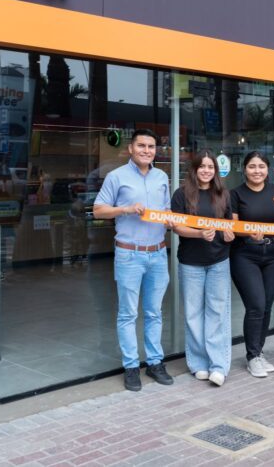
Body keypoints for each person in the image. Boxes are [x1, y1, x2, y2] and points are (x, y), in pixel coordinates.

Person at [93, 129, 174, 392]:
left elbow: (165, 210)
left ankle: (154, 362)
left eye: (151, 147)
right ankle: (131, 366)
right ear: (131, 148)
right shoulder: (117, 177)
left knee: (154, 312)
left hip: (159, 253)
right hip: (129, 253)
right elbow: (98, 210)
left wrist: (171, 217)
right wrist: (126, 209)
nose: (147, 150)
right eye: (142, 146)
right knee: (128, 313)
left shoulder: (162, 176)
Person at [170, 150, 235, 386]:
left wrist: (229, 236)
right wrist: (198, 233)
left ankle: (219, 365)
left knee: (217, 313)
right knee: (193, 313)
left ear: (215, 171)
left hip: (219, 260)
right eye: (202, 166)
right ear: (195, 169)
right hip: (190, 262)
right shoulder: (181, 194)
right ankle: (198, 363)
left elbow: (229, 228)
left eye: (210, 167)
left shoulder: (223, 194)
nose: (206, 170)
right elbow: (177, 227)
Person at [230, 151, 274, 379]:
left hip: (273, 255)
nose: (257, 171)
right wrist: (249, 232)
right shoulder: (236, 194)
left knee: (267, 306)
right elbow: (232, 226)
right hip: (245, 254)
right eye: (252, 167)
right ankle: (252, 357)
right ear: (244, 169)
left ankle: (259, 352)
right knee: (256, 305)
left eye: (261, 166)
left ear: (268, 170)